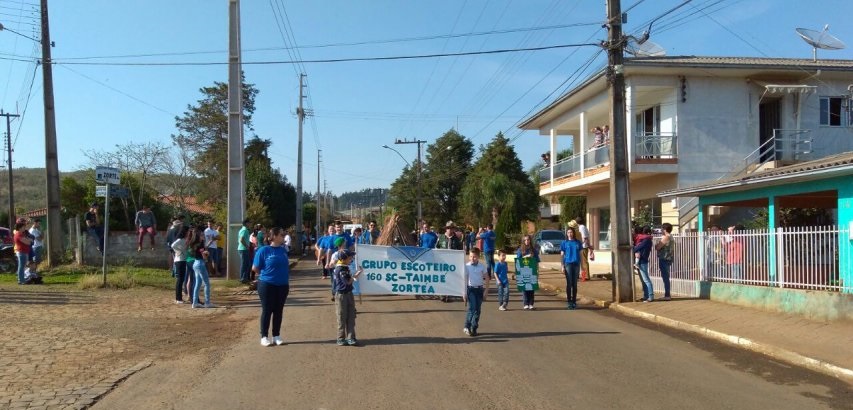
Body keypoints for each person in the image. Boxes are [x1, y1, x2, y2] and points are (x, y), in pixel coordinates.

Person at [252, 227, 290, 346]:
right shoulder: (263, 250)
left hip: (282, 285)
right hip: (267, 284)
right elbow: (255, 268)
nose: (283, 237)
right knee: (267, 310)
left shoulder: (283, 250)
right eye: (281, 235)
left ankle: (276, 335)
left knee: (278, 310)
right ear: (274, 236)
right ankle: (264, 336)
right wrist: (266, 276)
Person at [330, 247, 362, 346]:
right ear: (344, 259)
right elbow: (348, 282)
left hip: (348, 294)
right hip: (341, 296)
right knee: (342, 316)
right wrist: (356, 275)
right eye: (350, 258)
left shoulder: (344, 267)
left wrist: (356, 274)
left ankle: (351, 337)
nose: (351, 259)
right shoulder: (340, 269)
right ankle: (340, 338)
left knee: (351, 315)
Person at [463, 247, 489, 337]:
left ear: (478, 257)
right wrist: (464, 292)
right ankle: (467, 326)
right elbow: (465, 279)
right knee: (472, 308)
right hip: (471, 289)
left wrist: (486, 290)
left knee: (478, 310)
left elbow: (487, 278)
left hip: (479, 290)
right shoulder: (467, 266)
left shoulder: (482, 266)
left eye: (474, 257)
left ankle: (474, 328)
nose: (472, 258)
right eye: (470, 256)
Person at [560, 227, 583, 309]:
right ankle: (569, 301)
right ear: (566, 233)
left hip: (576, 264)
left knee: (575, 284)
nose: (570, 234)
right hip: (568, 264)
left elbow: (581, 256)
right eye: (568, 232)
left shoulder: (578, 243)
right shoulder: (564, 243)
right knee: (569, 283)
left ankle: (574, 301)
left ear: (573, 233)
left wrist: (582, 268)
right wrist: (562, 266)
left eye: (571, 232)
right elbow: (562, 255)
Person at [191, 224, 213, 309]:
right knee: (206, 283)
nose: (204, 236)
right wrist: (207, 254)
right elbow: (204, 255)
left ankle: (195, 302)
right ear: (199, 236)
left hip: (196, 264)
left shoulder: (196, 244)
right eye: (202, 235)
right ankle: (207, 302)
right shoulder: (199, 245)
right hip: (200, 264)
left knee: (198, 283)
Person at [516, 234, 540, 310]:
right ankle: (526, 303)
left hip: (532, 270)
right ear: (523, 241)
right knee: (525, 288)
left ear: (530, 240)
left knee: (531, 288)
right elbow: (518, 261)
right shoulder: (520, 250)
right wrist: (526, 257)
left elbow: (537, 261)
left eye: (528, 240)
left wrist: (537, 271)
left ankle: (531, 303)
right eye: (525, 240)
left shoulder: (534, 250)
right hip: (524, 271)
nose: (527, 241)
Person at [633, 226, 654, 302]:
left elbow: (636, 248)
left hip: (643, 261)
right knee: (643, 280)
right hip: (642, 261)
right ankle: (646, 296)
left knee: (646, 280)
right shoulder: (646, 240)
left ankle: (650, 296)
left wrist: (633, 248)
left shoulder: (646, 240)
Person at [655, 222, 675, 301]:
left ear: (665, 229)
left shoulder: (666, 237)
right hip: (669, 258)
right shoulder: (671, 237)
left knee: (665, 277)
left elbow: (658, 247)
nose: (661, 230)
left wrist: (657, 244)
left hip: (664, 258)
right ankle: (667, 294)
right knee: (666, 277)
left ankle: (667, 295)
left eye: (662, 228)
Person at [171, 226, 189, 304]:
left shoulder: (185, 240)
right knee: (180, 279)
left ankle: (179, 298)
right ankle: (178, 298)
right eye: (188, 231)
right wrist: (179, 251)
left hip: (183, 260)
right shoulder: (180, 240)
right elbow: (173, 245)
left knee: (181, 279)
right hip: (179, 260)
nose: (189, 233)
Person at [13, 218, 32, 285]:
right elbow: (28, 242)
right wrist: (29, 240)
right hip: (22, 252)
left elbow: (29, 240)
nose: (24, 228)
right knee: (22, 267)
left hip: (23, 252)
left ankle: (21, 280)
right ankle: (21, 280)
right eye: (23, 227)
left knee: (22, 267)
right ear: (20, 228)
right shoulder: (18, 235)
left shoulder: (22, 234)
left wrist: (29, 240)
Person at [575, 217, 592, 281]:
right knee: (581, 262)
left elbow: (585, 238)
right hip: (582, 246)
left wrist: (587, 245)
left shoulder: (582, 227)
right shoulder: (581, 227)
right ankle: (583, 276)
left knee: (584, 262)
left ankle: (586, 276)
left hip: (583, 247)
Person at [237, 218, 252, 284]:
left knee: (247, 264)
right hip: (243, 249)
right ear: (246, 223)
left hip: (244, 249)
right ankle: (243, 278)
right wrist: (246, 246)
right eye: (249, 222)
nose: (250, 224)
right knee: (244, 264)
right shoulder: (244, 230)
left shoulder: (244, 229)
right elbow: (241, 239)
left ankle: (245, 278)